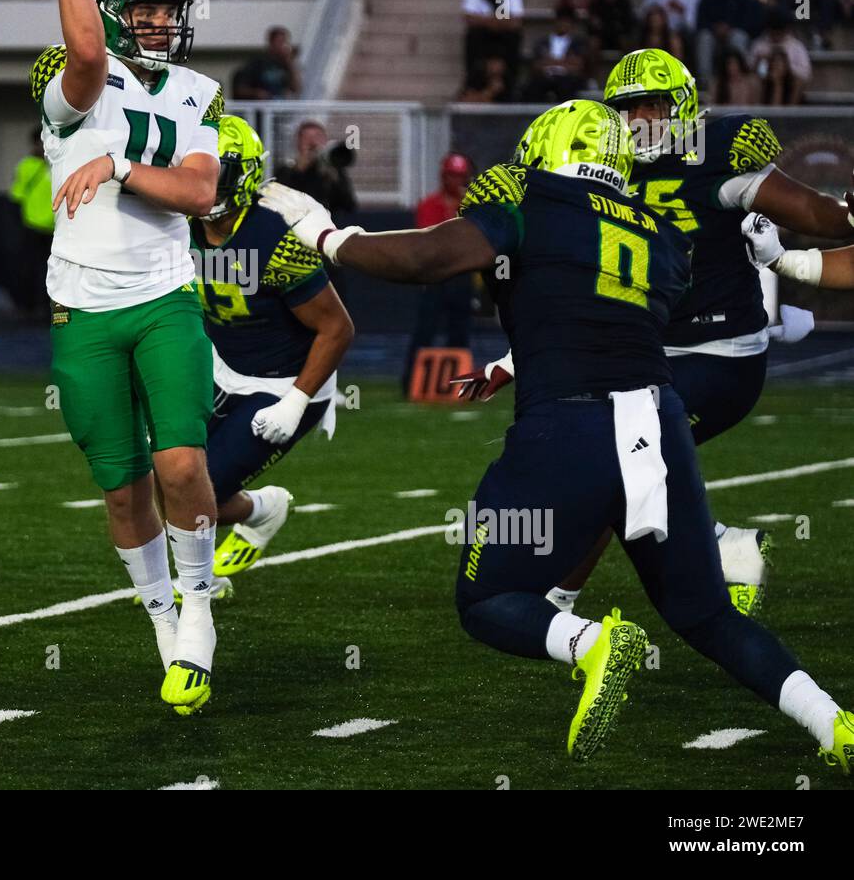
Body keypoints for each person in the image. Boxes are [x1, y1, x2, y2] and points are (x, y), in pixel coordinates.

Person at [257, 100, 854, 774]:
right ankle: (833, 723)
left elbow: (427, 257)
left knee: (486, 600)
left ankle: (590, 643)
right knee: (709, 615)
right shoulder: (660, 232)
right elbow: (598, 304)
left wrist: (325, 235)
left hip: (567, 426)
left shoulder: (528, 193)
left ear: (547, 144)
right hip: (655, 425)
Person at [474, 48, 854, 620]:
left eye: (652, 107)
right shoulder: (604, 173)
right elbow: (588, 289)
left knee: (611, 452)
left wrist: (833, 220)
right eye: (627, 111)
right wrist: (512, 357)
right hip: (646, 351)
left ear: (682, 107)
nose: (639, 123)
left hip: (719, 354)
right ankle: (726, 546)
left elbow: (824, 218)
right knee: (618, 456)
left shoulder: (717, 155)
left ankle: (564, 595)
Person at [25, 0, 226, 717]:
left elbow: (201, 192)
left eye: (165, 9)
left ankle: (202, 615)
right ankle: (159, 619)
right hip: (82, 306)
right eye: (142, 10)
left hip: (165, 295)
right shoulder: (72, 80)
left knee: (181, 461)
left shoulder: (198, 92)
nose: (160, 21)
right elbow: (82, 58)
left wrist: (118, 168)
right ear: (107, 14)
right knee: (121, 487)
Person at [190, 115, 353, 581]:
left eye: (211, 173)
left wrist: (298, 402)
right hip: (225, 369)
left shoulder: (274, 236)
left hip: (285, 383)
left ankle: (197, 586)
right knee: (170, 476)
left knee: (199, 490)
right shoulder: (179, 223)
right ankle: (262, 509)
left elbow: (337, 329)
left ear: (240, 176)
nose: (199, 185)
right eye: (192, 171)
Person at [402, 152, 474, 393]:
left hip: (461, 276)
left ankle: (459, 385)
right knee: (425, 330)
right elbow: (429, 242)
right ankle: (411, 381)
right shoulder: (429, 205)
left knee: (460, 332)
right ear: (444, 177)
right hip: (434, 277)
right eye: (453, 176)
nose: (457, 182)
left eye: (461, 177)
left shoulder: (473, 206)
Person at [8, 132, 53, 318]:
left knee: (49, 270)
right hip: (31, 225)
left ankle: (44, 307)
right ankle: (27, 306)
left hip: (55, 227)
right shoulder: (26, 166)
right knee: (30, 268)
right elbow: (16, 196)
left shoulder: (58, 164)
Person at [274, 120, 355, 222]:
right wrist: (299, 171)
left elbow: (349, 206)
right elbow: (280, 201)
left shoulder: (334, 169)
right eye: (307, 138)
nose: (312, 143)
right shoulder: (286, 170)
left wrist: (334, 177)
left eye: (317, 137)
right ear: (298, 142)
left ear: (325, 140)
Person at [231, 25, 301, 101]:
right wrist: (256, 93)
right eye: (280, 42)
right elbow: (240, 89)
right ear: (271, 43)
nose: (284, 46)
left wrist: (289, 62)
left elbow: (296, 89)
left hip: (278, 107)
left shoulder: (286, 65)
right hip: (259, 108)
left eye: (286, 42)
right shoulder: (257, 63)